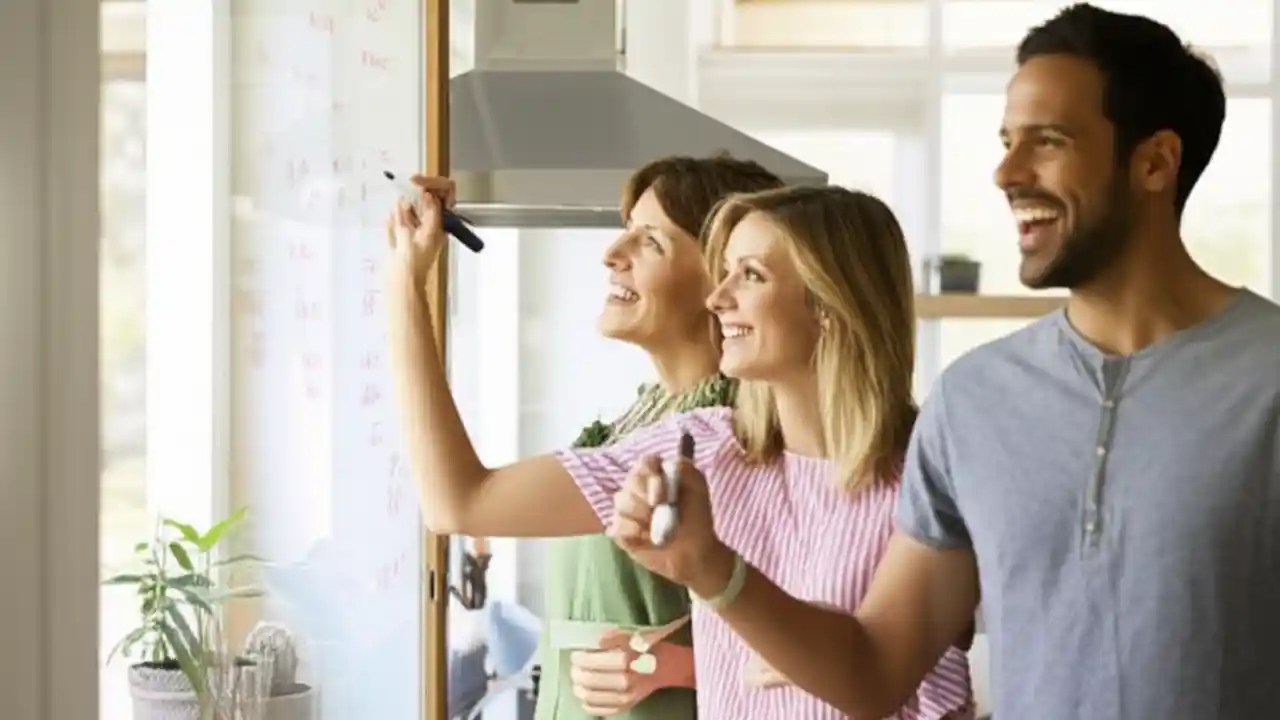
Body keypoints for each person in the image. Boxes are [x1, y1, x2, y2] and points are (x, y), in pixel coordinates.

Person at [603, 4, 1280, 719]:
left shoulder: (1264, 376)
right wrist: (707, 566)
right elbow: (875, 669)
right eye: (1006, 141)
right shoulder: (976, 400)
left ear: (1154, 162)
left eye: (1048, 141)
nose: (1006, 171)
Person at [387, 176, 976, 718]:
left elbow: (870, 678)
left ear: (829, 305)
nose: (718, 299)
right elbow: (461, 502)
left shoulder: (932, 479)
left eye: (750, 275)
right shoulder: (706, 445)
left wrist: (714, 572)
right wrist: (405, 284)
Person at [384, 155, 782, 719]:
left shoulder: (716, 433)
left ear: (722, 282)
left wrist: (405, 281)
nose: (611, 254)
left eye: (651, 242)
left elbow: (457, 502)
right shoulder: (644, 420)